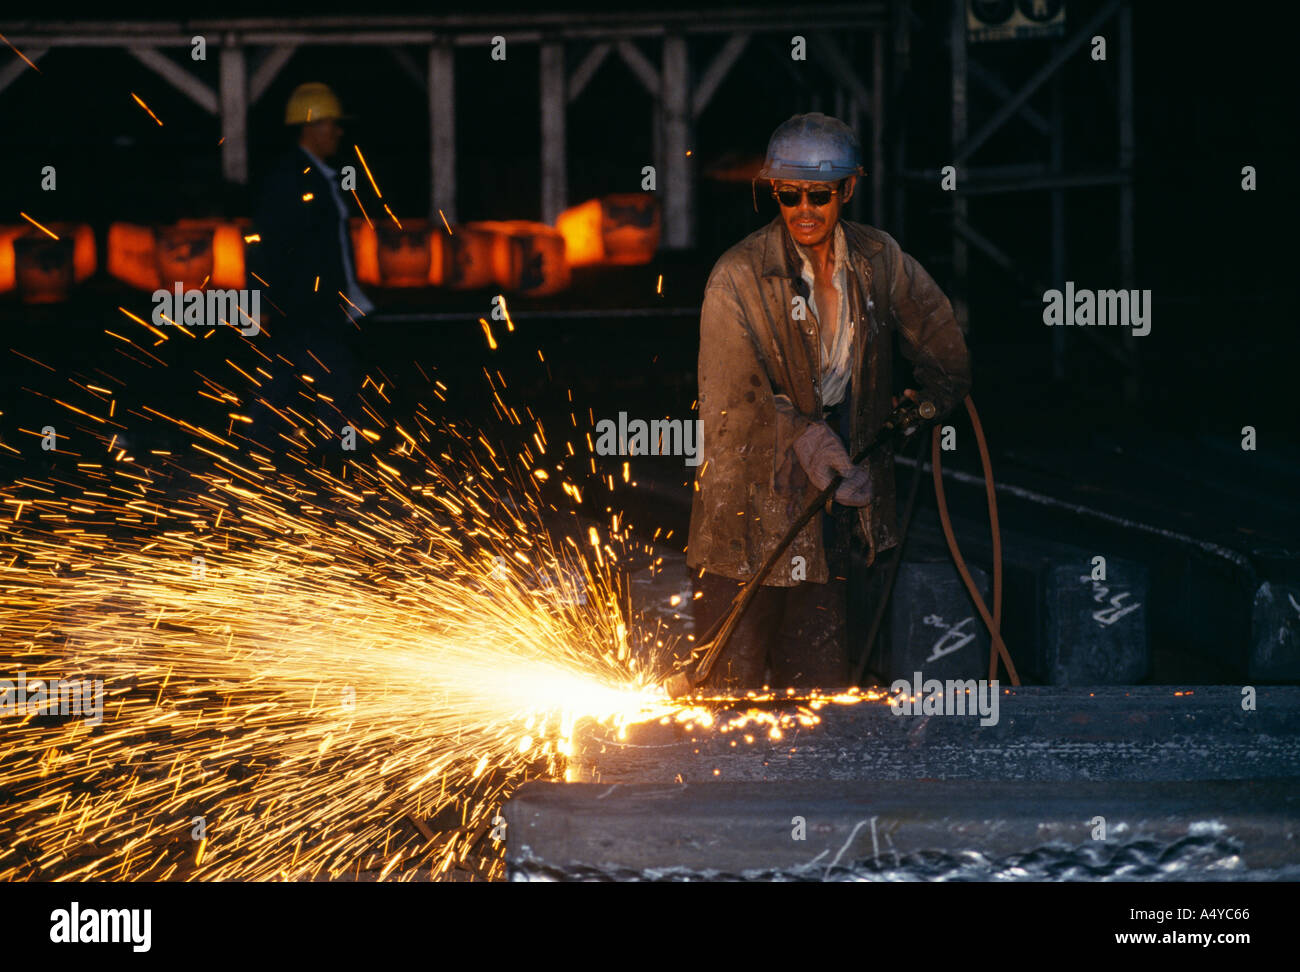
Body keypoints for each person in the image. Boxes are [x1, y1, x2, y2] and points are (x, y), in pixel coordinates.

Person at [686, 112, 972, 692]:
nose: (803, 210)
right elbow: (731, 405)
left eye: (819, 194)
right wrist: (808, 438)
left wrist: (926, 403)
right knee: (722, 706)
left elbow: (942, 339)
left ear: (849, 188)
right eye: (788, 195)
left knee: (817, 701)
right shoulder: (736, 278)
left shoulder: (878, 260)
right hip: (744, 526)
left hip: (828, 526)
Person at [249, 82, 373, 439]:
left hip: (309, 307)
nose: (337, 131)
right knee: (336, 384)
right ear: (308, 127)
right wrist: (266, 302)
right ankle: (342, 464)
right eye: (329, 123)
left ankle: (260, 461)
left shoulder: (318, 177)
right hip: (306, 308)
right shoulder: (291, 181)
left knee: (283, 383)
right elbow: (262, 243)